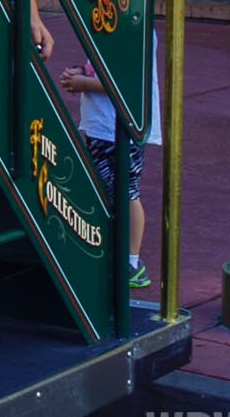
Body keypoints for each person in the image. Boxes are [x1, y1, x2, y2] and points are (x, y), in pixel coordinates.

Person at [59, 35, 159, 289]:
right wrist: (81, 71)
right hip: (101, 126)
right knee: (105, 189)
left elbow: (128, 80)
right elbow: (102, 67)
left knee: (126, 191)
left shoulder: (135, 30)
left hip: (122, 127)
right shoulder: (107, 23)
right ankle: (112, 251)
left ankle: (131, 261)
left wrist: (84, 82)